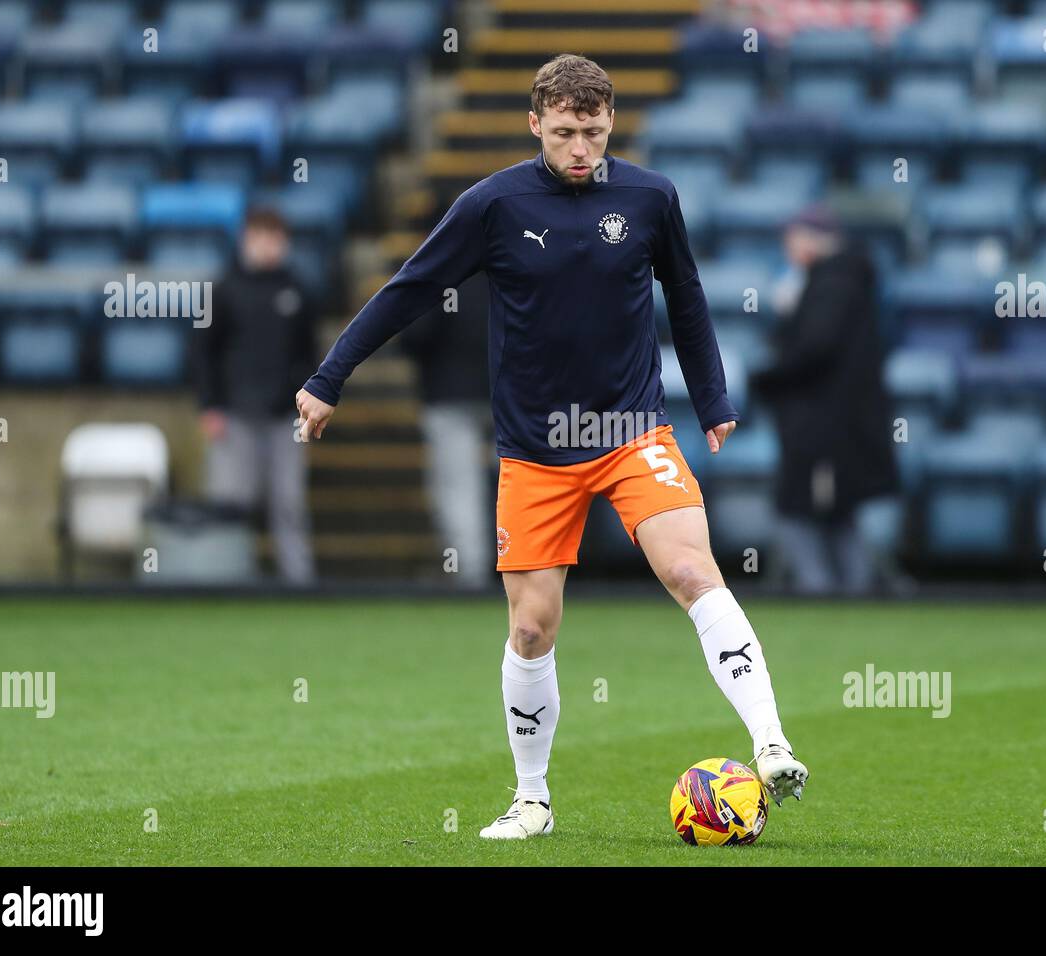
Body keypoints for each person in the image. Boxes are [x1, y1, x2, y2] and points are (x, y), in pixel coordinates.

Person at [295, 54, 807, 838]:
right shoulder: (492, 205)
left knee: (689, 569)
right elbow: (410, 288)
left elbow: (687, 295)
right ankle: (532, 799)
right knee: (531, 628)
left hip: (631, 431)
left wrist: (711, 397)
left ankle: (770, 744)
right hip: (535, 449)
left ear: (611, 124)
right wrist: (330, 376)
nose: (580, 149)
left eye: (593, 133)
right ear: (535, 123)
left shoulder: (650, 197)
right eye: (565, 132)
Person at [749, 206, 898, 595]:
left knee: (801, 509)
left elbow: (814, 348)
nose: (788, 247)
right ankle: (846, 592)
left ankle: (820, 590)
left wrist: (765, 378)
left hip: (825, 427)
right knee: (837, 514)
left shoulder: (832, 282)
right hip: (837, 423)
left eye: (793, 238)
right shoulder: (845, 279)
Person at [193, 206, 317, 585]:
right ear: (246, 240)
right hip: (235, 414)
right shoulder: (222, 289)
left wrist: (306, 403)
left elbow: (308, 353)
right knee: (231, 502)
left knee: (289, 503)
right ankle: (226, 578)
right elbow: (202, 352)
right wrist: (210, 406)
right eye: (260, 237)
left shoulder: (297, 289)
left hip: (285, 416)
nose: (267, 246)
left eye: (274, 238)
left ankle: (298, 582)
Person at [397, 271, 495, 591]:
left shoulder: (441, 274)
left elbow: (414, 335)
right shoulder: (511, 261)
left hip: (450, 395)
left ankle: (471, 575)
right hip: (509, 395)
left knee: (458, 487)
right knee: (521, 481)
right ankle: (528, 565)